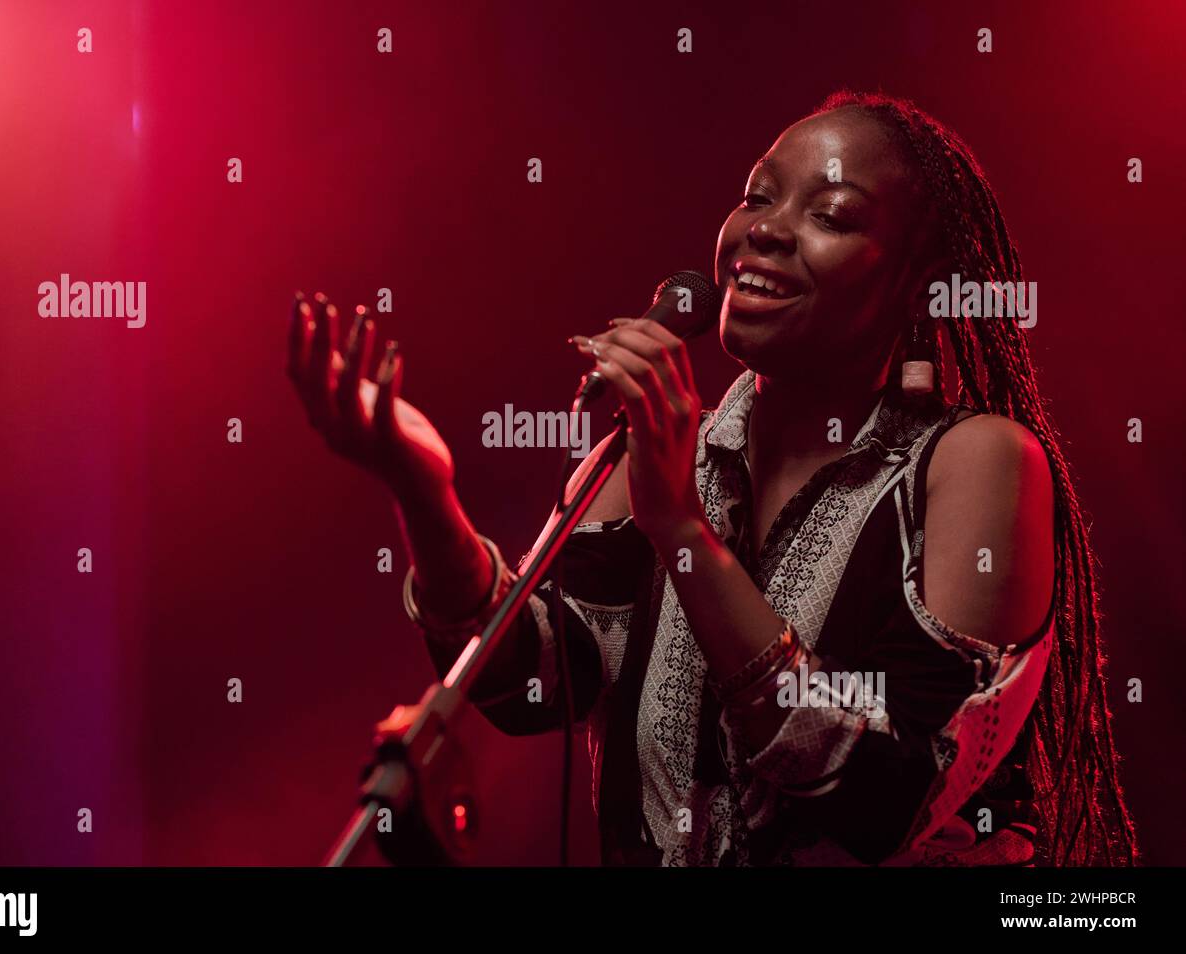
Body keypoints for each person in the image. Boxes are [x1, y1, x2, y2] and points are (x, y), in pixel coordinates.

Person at [287, 90, 1137, 866]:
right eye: (758, 195)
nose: (764, 229)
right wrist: (423, 490)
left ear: (914, 291)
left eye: (831, 214)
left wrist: (685, 534)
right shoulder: (653, 457)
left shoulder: (979, 463)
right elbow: (535, 679)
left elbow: (886, 791)